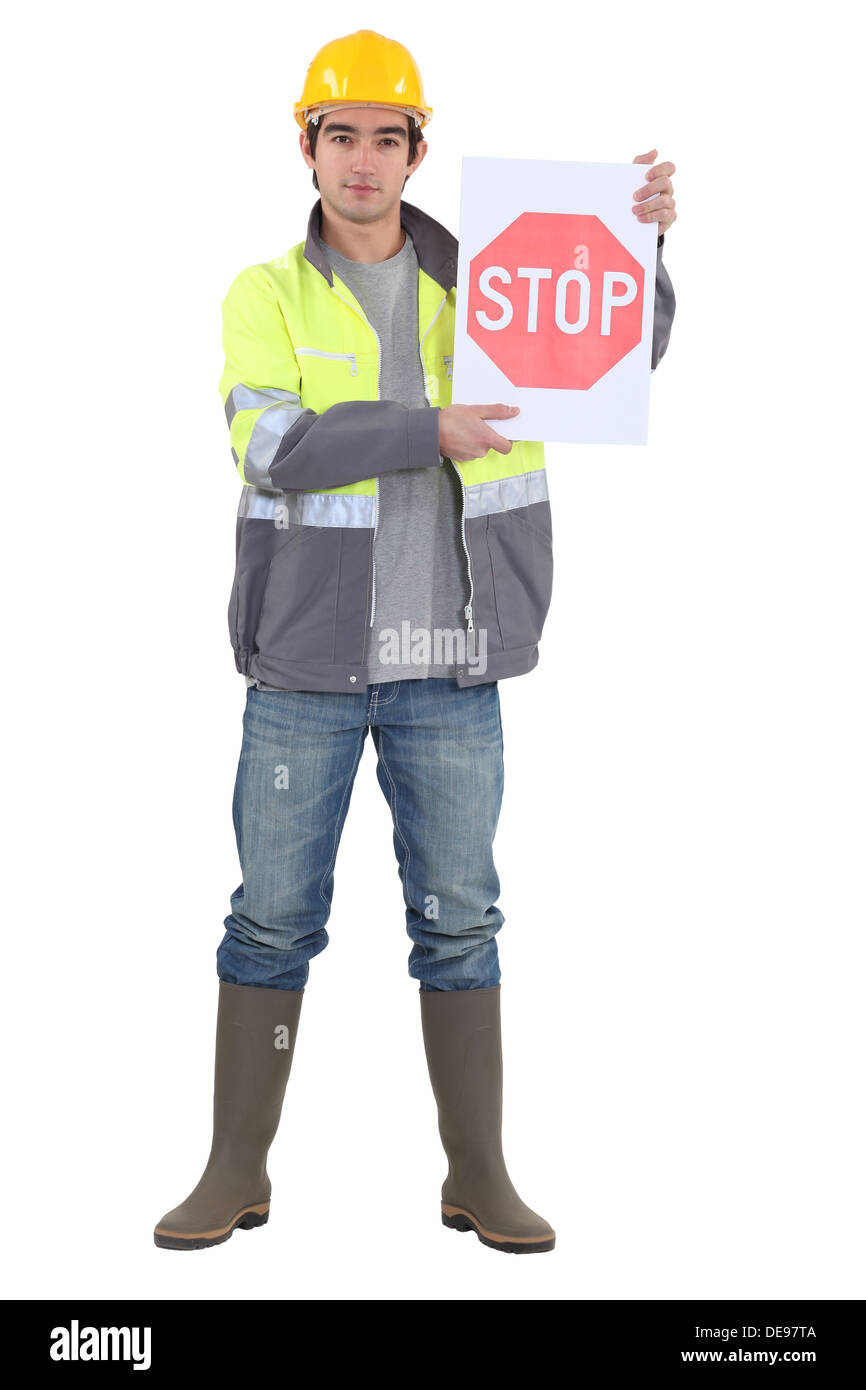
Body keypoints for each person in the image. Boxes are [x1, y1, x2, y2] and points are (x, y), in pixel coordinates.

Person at [154, 28, 677, 1255]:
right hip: (303, 669)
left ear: (414, 150)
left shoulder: (496, 275)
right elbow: (273, 446)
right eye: (341, 136)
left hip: (452, 658)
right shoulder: (263, 294)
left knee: (460, 919)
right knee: (271, 919)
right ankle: (236, 1169)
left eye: (387, 138)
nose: (363, 161)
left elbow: (623, 354)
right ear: (309, 147)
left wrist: (641, 249)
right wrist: (424, 424)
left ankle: (477, 1174)